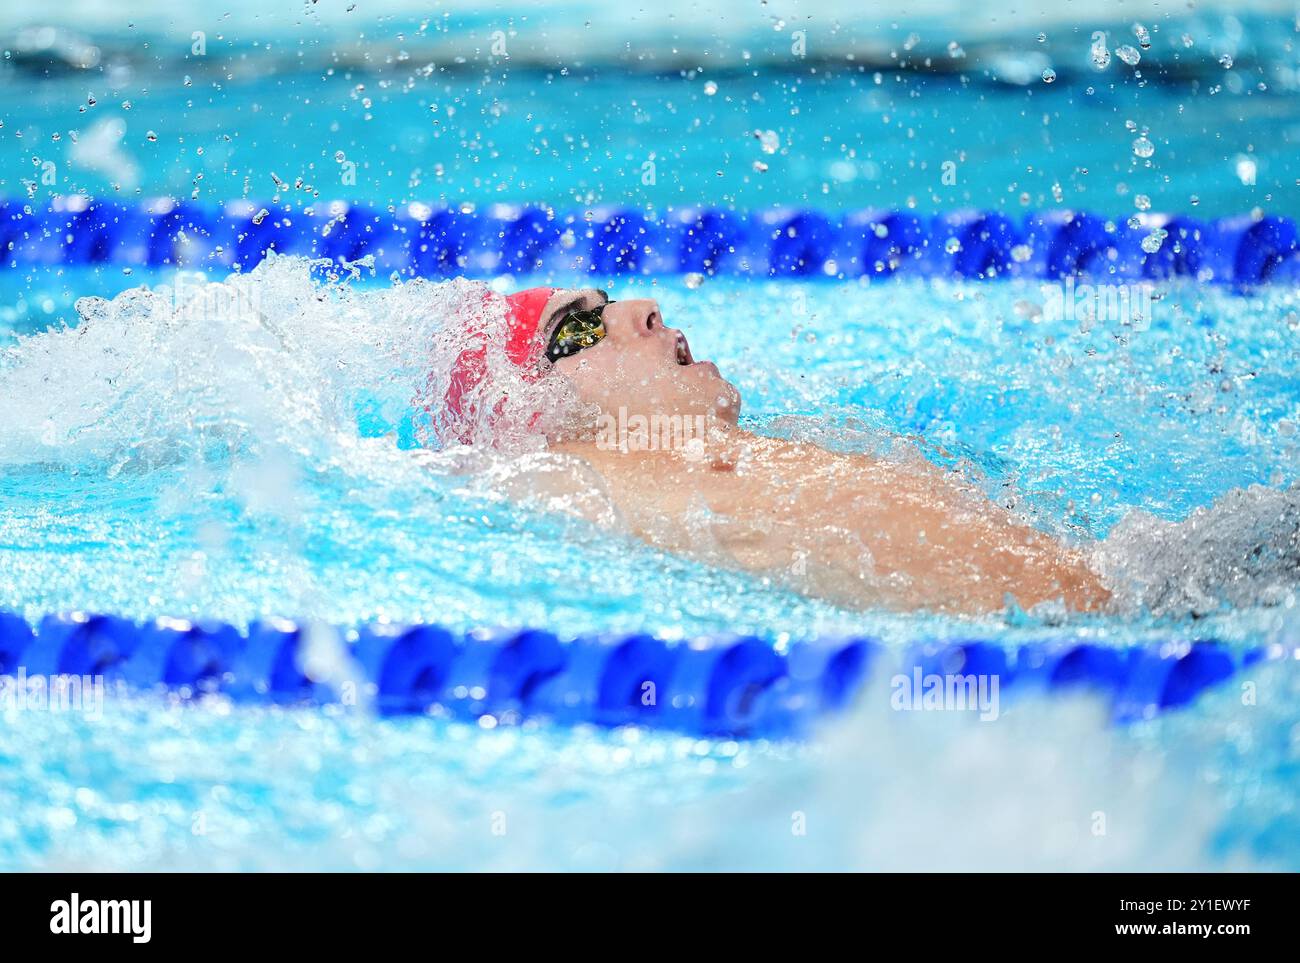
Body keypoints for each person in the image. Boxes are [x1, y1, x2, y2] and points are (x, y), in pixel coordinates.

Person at [432, 286, 1294, 618]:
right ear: (537, 414)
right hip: (1151, 619)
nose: (643, 307)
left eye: (611, 298)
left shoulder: (748, 455)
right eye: (580, 327)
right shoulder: (575, 478)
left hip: (1161, 586)